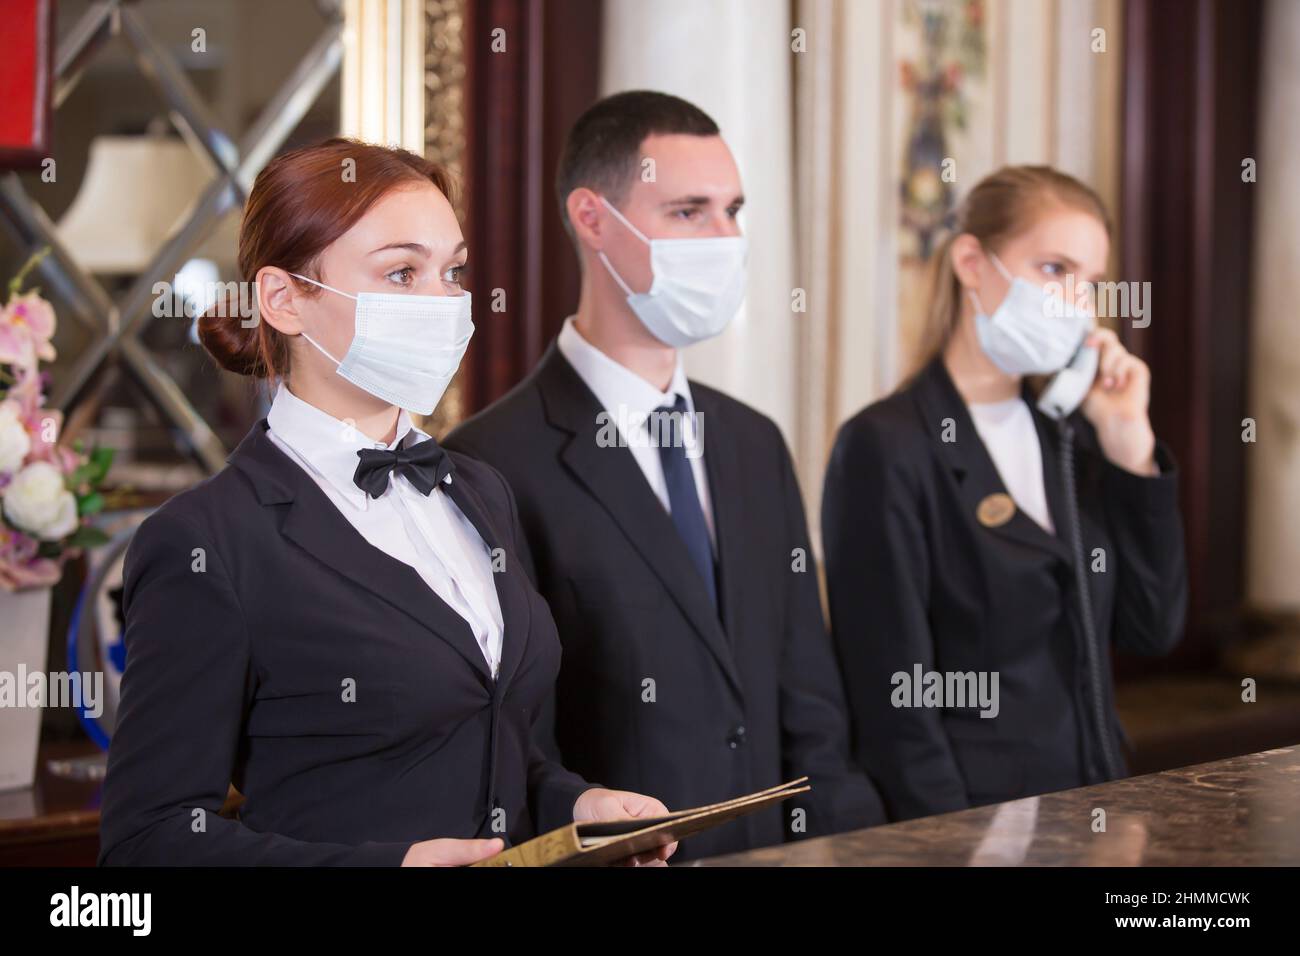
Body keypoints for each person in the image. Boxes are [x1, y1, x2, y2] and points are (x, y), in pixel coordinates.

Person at [98, 138, 674, 866]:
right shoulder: (206, 538)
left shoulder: (479, 491)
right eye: (402, 273)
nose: (443, 302)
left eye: (453, 271)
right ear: (282, 299)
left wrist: (577, 807)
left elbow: (496, 746)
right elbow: (147, 842)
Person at [444, 91, 884, 860]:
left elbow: (808, 701)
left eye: (733, 210)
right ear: (592, 218)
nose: (726, 238)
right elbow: (518, 740)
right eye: (689, 212)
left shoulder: (753, 442)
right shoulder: (491, 460)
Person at [822, 165, 1188, 822]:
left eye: (1091, 283)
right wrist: (954, 844)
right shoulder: (887, 444)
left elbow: (1152, 628)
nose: (1075, 302)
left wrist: (1131, 440)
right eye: (1054, 269)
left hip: (1095, 805)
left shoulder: (1070, 436)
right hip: (975, 822)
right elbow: (893, 698)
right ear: (972, 262)